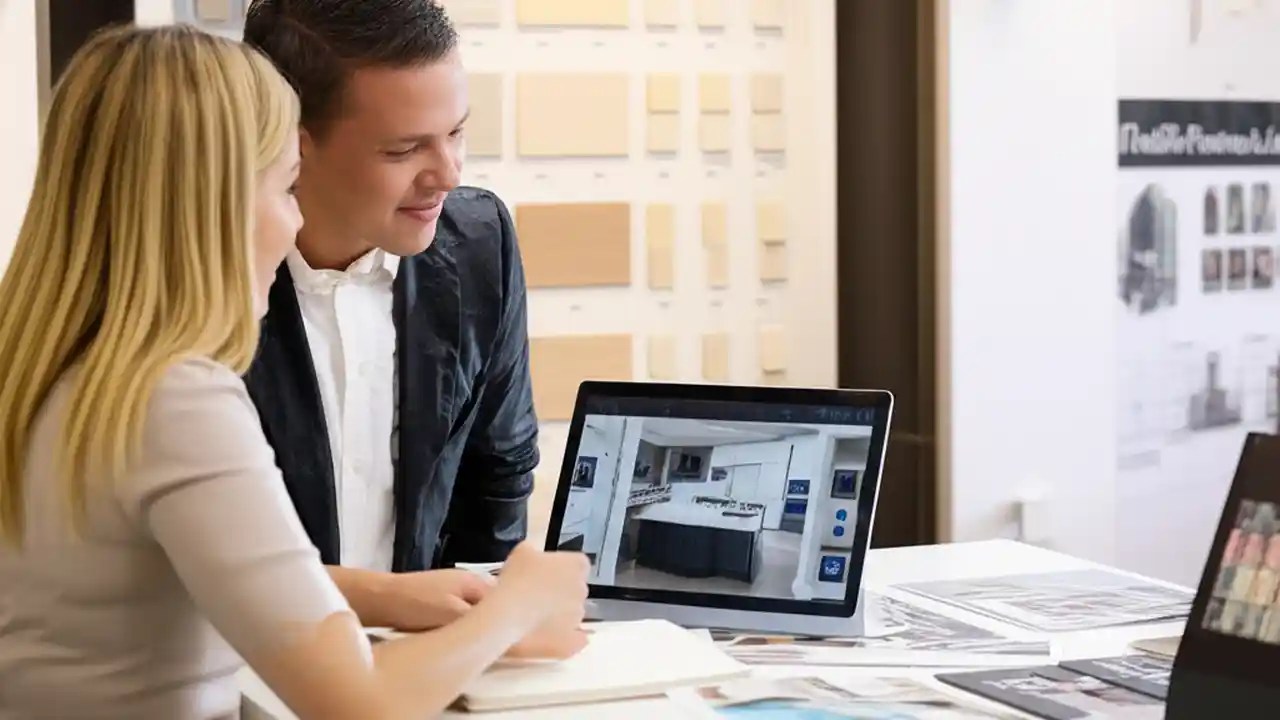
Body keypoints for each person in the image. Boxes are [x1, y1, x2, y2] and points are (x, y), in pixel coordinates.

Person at [0, 25, 587, 719]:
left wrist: (383, 596)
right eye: (285, 188)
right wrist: (519, 604)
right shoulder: (177, 400)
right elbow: (359, 706)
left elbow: (167, 579)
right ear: (213, 207)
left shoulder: (55, 369)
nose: (290, 226)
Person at [240, 0, 541, 632]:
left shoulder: (480, 242)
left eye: (456, 133)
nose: (447, 175)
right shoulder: (199, 282)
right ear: (294, 145)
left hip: (422, 663)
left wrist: (477, 637)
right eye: (404, 149)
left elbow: (499, 478)